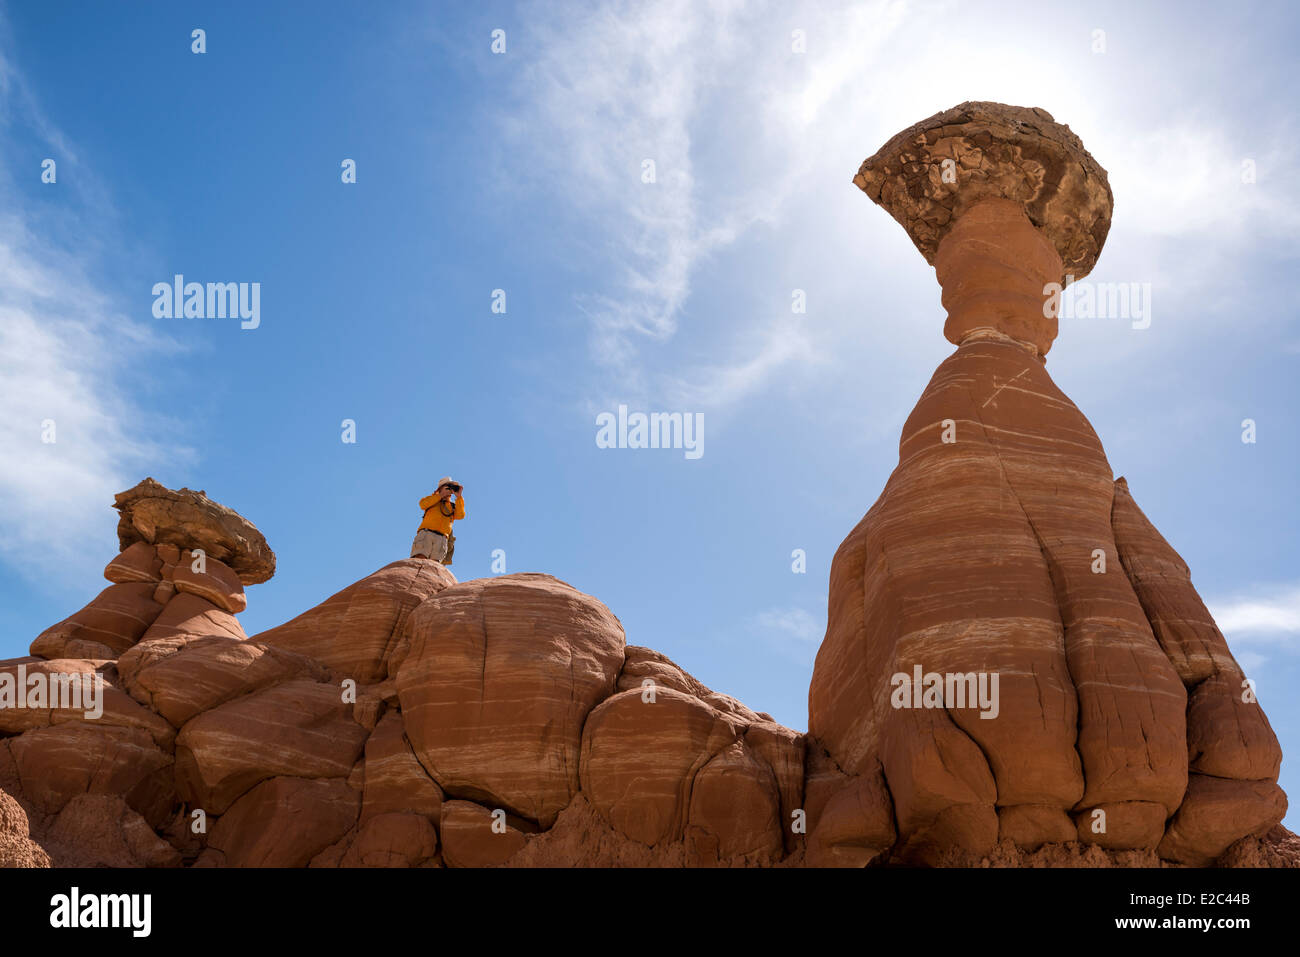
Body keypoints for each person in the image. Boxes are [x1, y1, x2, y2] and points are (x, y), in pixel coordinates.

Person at [410, 477, 464, 564]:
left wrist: (459, 497)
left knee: (434, 566)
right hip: (427, 533)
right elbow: (422, 504)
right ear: (440, 488)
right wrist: (440, 495)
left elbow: (460, 515)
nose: (450, 490)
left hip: (442, 538)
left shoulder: (452, 506)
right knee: (419, 559)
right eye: (448, 487)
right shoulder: (433, 499)